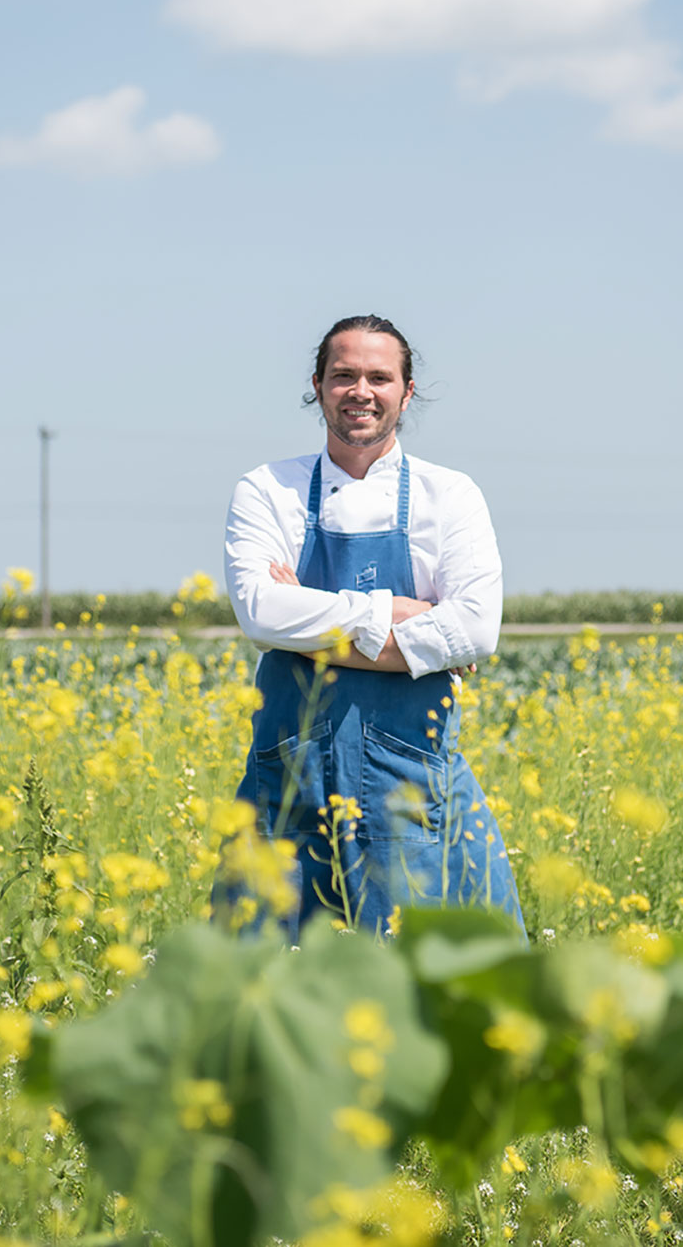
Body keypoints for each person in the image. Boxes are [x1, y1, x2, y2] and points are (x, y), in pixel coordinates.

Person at [215, 316, 523, 938]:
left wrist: (310, 612)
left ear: (406, 392)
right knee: (259, 987)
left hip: (411, 784)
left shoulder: (451, 496)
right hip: (290, 782)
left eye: (380, 377)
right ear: (318, 385)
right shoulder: (267, 490)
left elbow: (474, 632)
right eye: (344, 375)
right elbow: (260, 613)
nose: (361, 390)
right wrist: (400, 616)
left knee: (427, 988)